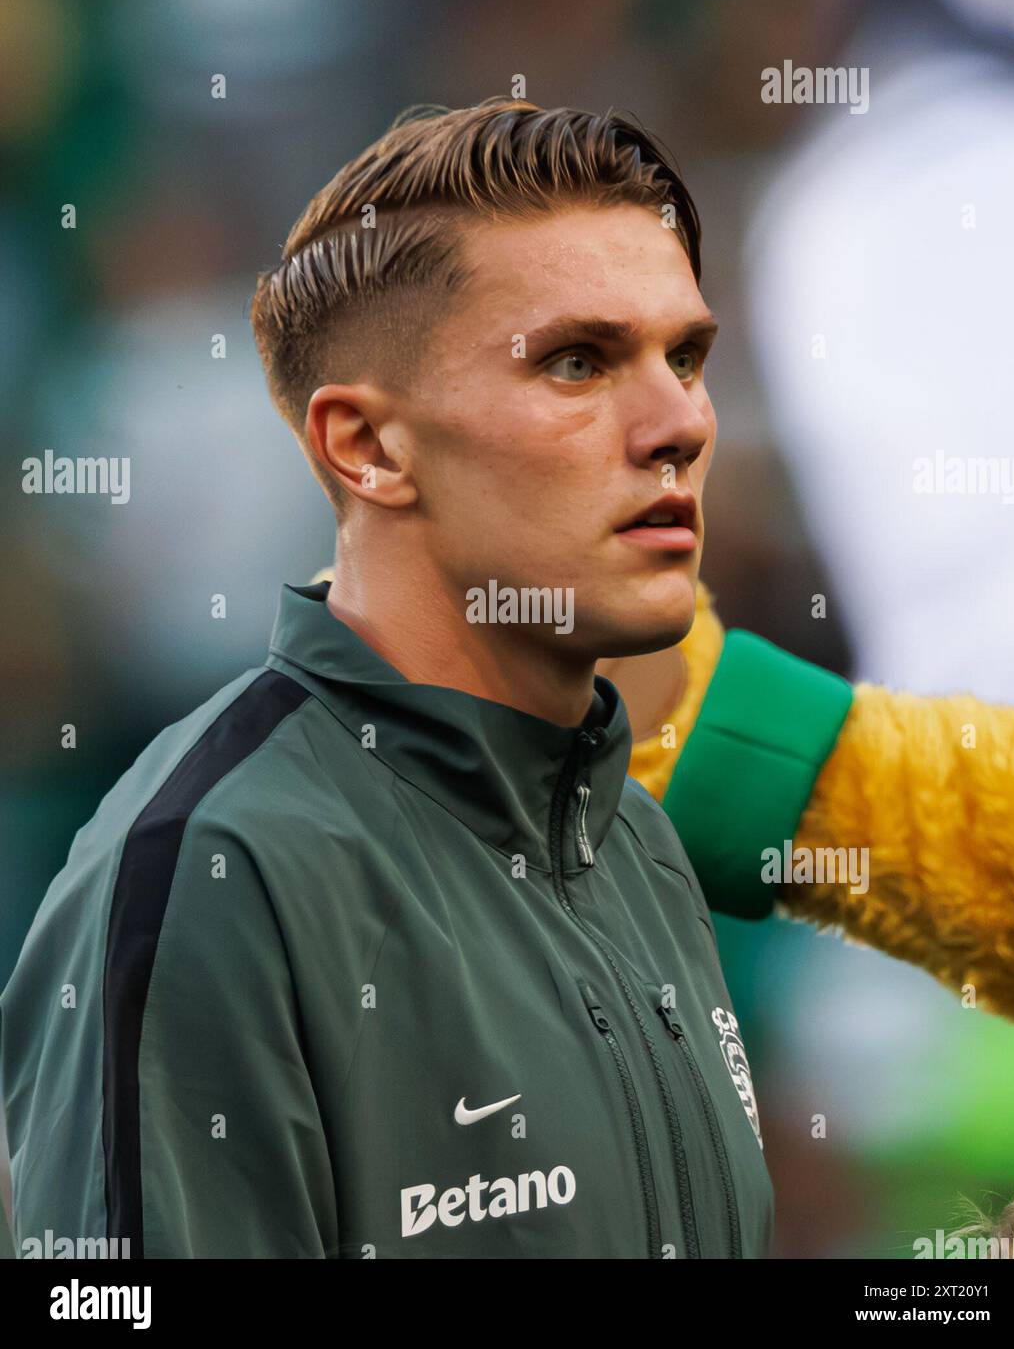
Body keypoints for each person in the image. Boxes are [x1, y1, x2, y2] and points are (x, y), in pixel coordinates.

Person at [0, 97, 773, 1259]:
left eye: (686, 356)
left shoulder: (640, 850)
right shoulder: (217, 868)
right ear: (365, 446)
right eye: (578, 361)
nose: (679, 422)